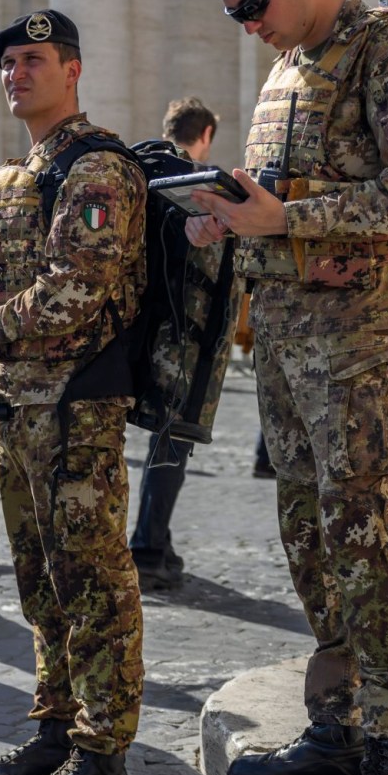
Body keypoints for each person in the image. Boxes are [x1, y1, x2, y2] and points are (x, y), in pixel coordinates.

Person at [189, 0, 388, 775]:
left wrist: (284, 214)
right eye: (235, 15)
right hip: (286, 350)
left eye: (255, 1)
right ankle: (340, 726)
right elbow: (274, 210)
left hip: (355, 348)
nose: (249, 23)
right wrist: (225, 218)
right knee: (311, 539)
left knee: (369, 538)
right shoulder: (281, 76)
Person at [0, 8, 146, 775]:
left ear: (73, 70)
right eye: (8, 63)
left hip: (78, 409)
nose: (16, 74)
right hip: (22, 409)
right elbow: (2, 281)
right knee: (39, 580)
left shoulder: (96, 169)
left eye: (34, 60)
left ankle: (103, 757)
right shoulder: (26, 174)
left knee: (91, 580)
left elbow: (73, 291)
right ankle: (57, 728)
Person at [129, 96, 220, 591]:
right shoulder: (204, 184)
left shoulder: (139, 172)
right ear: (204, 133)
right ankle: (148, 547)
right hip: (183, 338)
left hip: (131, 327)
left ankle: (155, 543)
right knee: (171, 440)